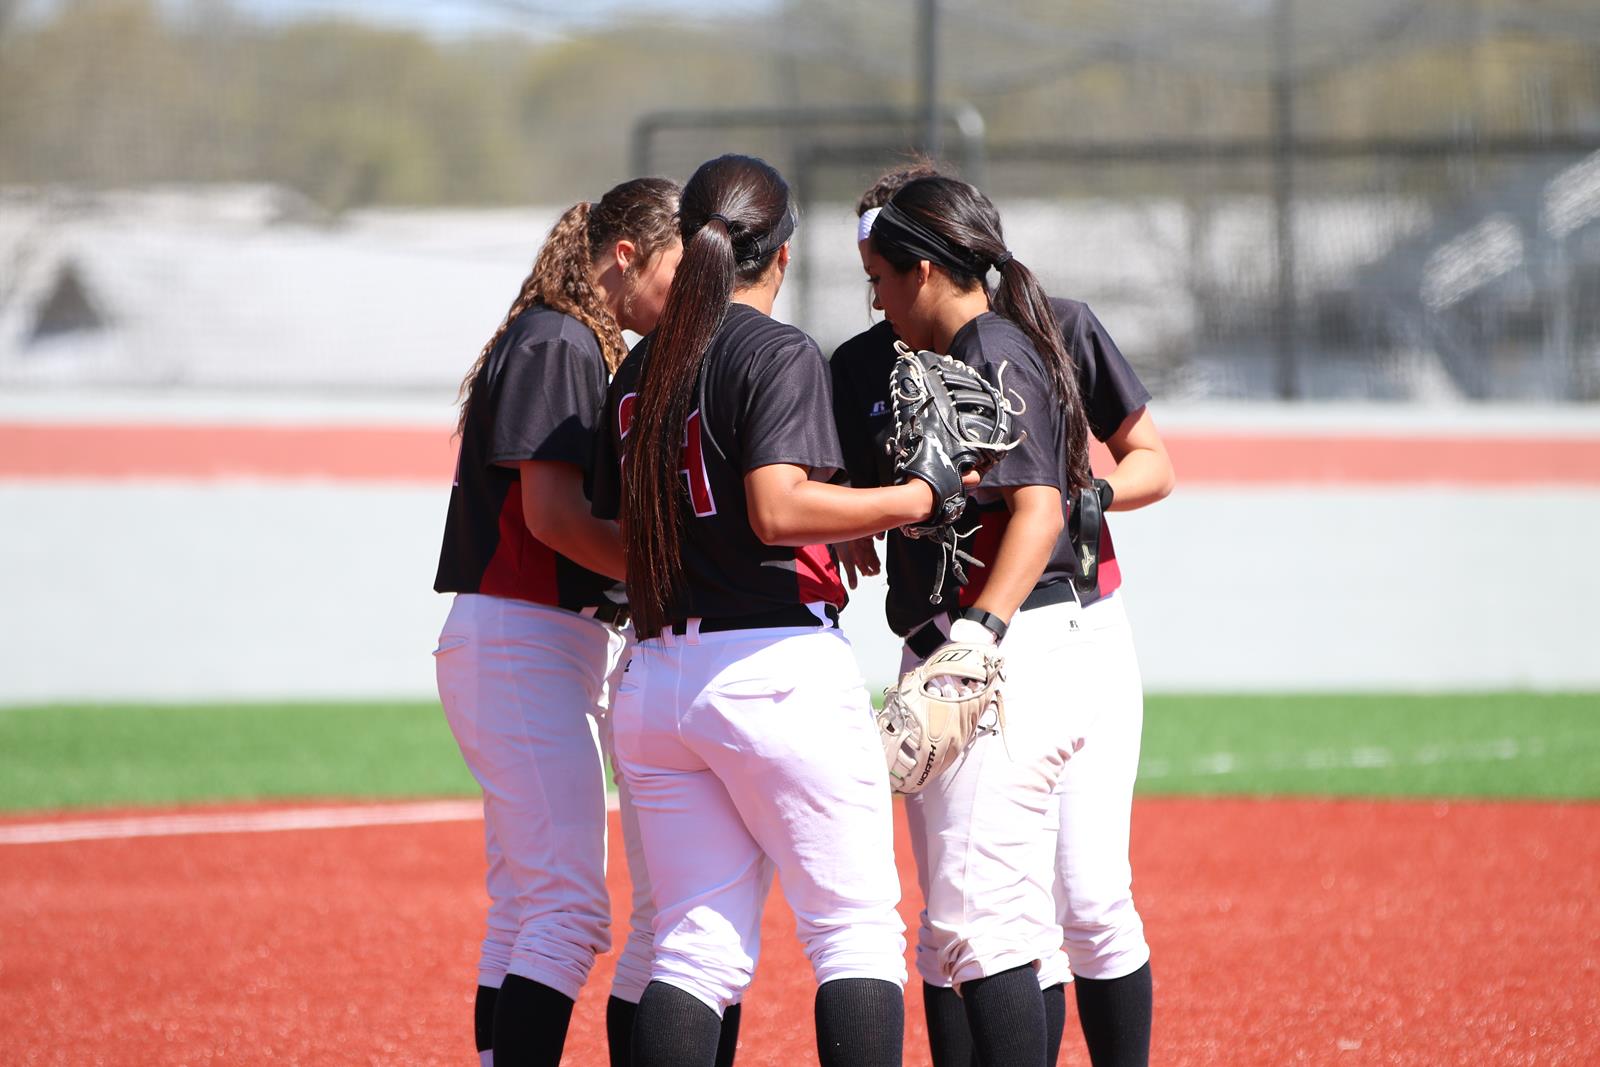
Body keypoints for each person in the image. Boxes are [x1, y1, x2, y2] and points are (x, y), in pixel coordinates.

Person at [591, 154, 957, 1067]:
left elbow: (645, 516)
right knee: (856, 933)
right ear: (781, 256)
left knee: (697, 947)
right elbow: (775, 507)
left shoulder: (640, 366)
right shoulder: (777, 348)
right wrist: (915, 497)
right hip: (770, 669)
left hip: (657, 675)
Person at [838, 172, 1174, 1067]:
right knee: (978, 919)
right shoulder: (868, 362)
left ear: (927, 258)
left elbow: (1143, 466)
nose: (871, 291)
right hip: (948, 636)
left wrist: (1083, 498)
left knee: (1070, 904)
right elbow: (841, 488)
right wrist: (860, 520)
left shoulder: (1037, 330)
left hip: (1056, 627)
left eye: (878, 268)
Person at [434, 176, 725, 1067]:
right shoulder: (563, 339)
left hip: (520, 635)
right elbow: (555, 519)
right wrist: (683, 570)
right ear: (629, 254)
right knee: (567, 907)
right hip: (525, 635)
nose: (694, 290)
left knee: (529, 903)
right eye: (683, 265)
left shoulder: (566, 335)